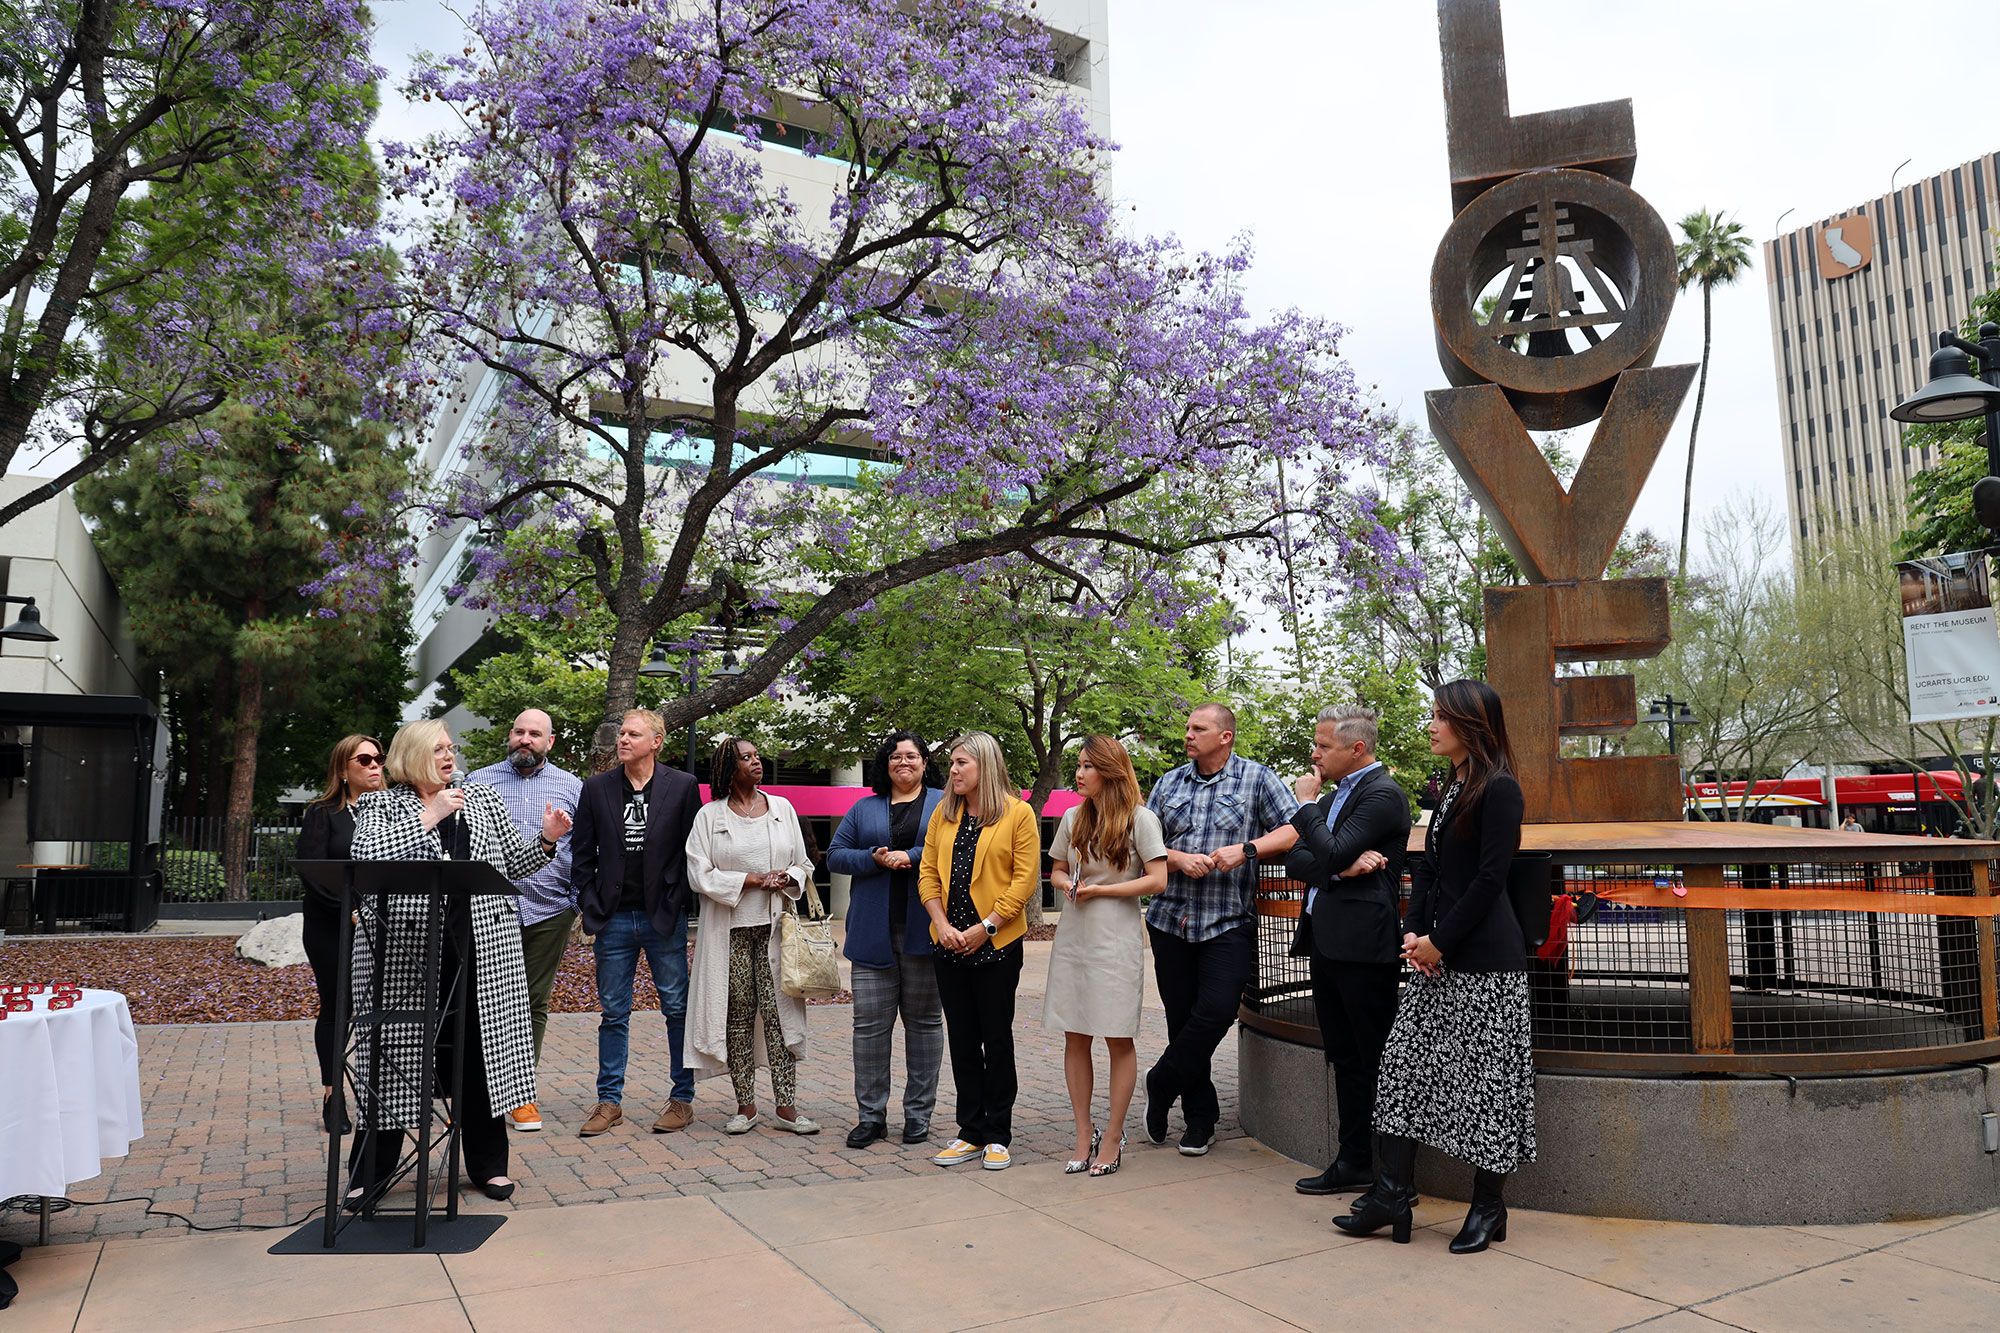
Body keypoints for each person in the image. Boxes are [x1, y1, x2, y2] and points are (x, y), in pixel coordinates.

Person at [1337, 679, 1533, 1253]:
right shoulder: (1452, 786)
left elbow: (1489, 880)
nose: (1431, 725)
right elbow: (1428, 869)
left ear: (1471, 723)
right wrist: (1413, 932)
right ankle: (1391, 1194)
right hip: (1434, 958)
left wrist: (1440, 942)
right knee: (1401, 1072)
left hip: (1485, 963)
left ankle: (1489, 1206)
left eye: (1440, 717)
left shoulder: (1500, 789)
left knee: (1487, 1088)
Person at [347, 720, 571, 1204]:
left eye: (451, 749)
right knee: (394, 1063)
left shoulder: (483, 801)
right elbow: (367, 858)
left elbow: (512, 862)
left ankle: (489, 1168)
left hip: (480, 949)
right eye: (438, 749)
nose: (449, 757)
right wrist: (429, 816)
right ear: (411, 755)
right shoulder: (383, 803)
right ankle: (371, 1172)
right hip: (405, 955)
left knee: (481, 1059)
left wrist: (548, 841)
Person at [1142, 703, 1301, 1156]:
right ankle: (1199, 1120)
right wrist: (1176, 859)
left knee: (1214, 1013)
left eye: (1199, 728)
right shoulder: (1169, 782)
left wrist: (1246, 850)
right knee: (1181, 1020)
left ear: (1225, 736)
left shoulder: (1257, 778)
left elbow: (1294, 830)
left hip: (1228, 921)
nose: (1188, 734)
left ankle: (1161, 1081)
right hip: (1170, 920)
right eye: (1188, 727)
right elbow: (1143, 845)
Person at [1282, 706, 1411, 1197]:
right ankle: (1353, 1160)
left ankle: (1390, 1177)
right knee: (1344, 1056)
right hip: (1327, 938)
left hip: (1363, 945)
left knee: (1372, 1056)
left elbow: (1326, 849)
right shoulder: (1340, 796)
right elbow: (1299, 856)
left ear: (1357, 749)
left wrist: (1307, 805)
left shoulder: (1382, 794)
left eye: (1324, 746)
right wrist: (1339, 867)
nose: (1314, 754)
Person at [572, 708, 703, 1138]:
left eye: (633, 734)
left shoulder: (682, 786)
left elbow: (692, 850)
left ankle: (681, 1099)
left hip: (662, 915)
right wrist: (589, 902)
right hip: (612, 918)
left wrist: (678, 899)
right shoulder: (596, 788)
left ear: (656, 741)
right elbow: (582, 854)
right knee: (613, 1012)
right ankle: (609, 1102)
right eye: (621, 733)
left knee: (676, 1008)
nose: (623, 740)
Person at [1044, 736, 1167, 1178]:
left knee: (1117, 1036)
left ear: (1111, 772)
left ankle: (1113, 1135)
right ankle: (1083, 1132)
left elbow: (1158, 880)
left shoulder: (1142, 819)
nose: (1079, 774)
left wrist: (1103, 890)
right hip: (1075, 934)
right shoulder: (1074, 816)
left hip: (1116, 936)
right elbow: (1056, 869)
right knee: (1074, 1035)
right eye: (1078, 765)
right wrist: (1065, 885)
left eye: (1087, 766)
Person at [687, 736, 820, 1134]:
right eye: (746, 758)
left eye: (757, 756)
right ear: (729, 769)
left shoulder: (781, 808)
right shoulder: (710, 816)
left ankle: (787, 1106)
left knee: (780, 1012)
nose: (756, 762)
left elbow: (804, 862)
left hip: (776, 929)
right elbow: (699, 873)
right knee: (738, 1015)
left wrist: (788, 877)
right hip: (730, 932)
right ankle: (745, 1106)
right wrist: (750, 879)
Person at [920, 731, 1040, 1172]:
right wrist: (943, 924)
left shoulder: (1018, 814)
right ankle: (969, 1131)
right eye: (951, 763)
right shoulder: (944, 814)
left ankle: (997, 1134)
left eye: (960, 763)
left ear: (984, 765)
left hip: (996, 945)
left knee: (996, 1037)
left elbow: (1024, 881)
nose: (952, 771)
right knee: (963, 1040)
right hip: (948, 943)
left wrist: (985, 928)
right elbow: (928, 874)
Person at [827, 731, 946, 1148]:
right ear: (886, 764)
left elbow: (952, 853)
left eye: (912, 756)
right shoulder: (864, 808)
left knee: (925, 1026)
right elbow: (835, 855)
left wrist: (912, 857)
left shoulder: (945, 805)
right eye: (896, 757)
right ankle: (871, 1117)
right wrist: (873, 859)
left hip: (925, 932)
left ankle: (918, 1115)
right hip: (872, 934)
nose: (904, 762)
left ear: (925, 763)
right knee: (869, 1030)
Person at [466, 709, 582, 1132]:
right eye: (519, 731)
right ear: (509, 735)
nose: (525, 739)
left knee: (533, 1002)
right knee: (485, 1002)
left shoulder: (571, 786)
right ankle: (480, 1089)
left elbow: (584, 849)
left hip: (549, 911)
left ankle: (521, 1094)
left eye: (535, 733)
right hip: (491, 910)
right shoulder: (477, 783)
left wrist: (573, 901)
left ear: (550, 742)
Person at [297, 733, 387, 1132]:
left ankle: (382, 1091)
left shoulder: (391, 811)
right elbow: (313, 872)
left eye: (378, 759)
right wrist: (352, 910)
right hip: (332, 925)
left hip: (383, 926)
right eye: (364, 759)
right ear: (343, 769)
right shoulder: (323, 812)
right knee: (339, 1007)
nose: (374, 766)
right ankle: (334, 1095)